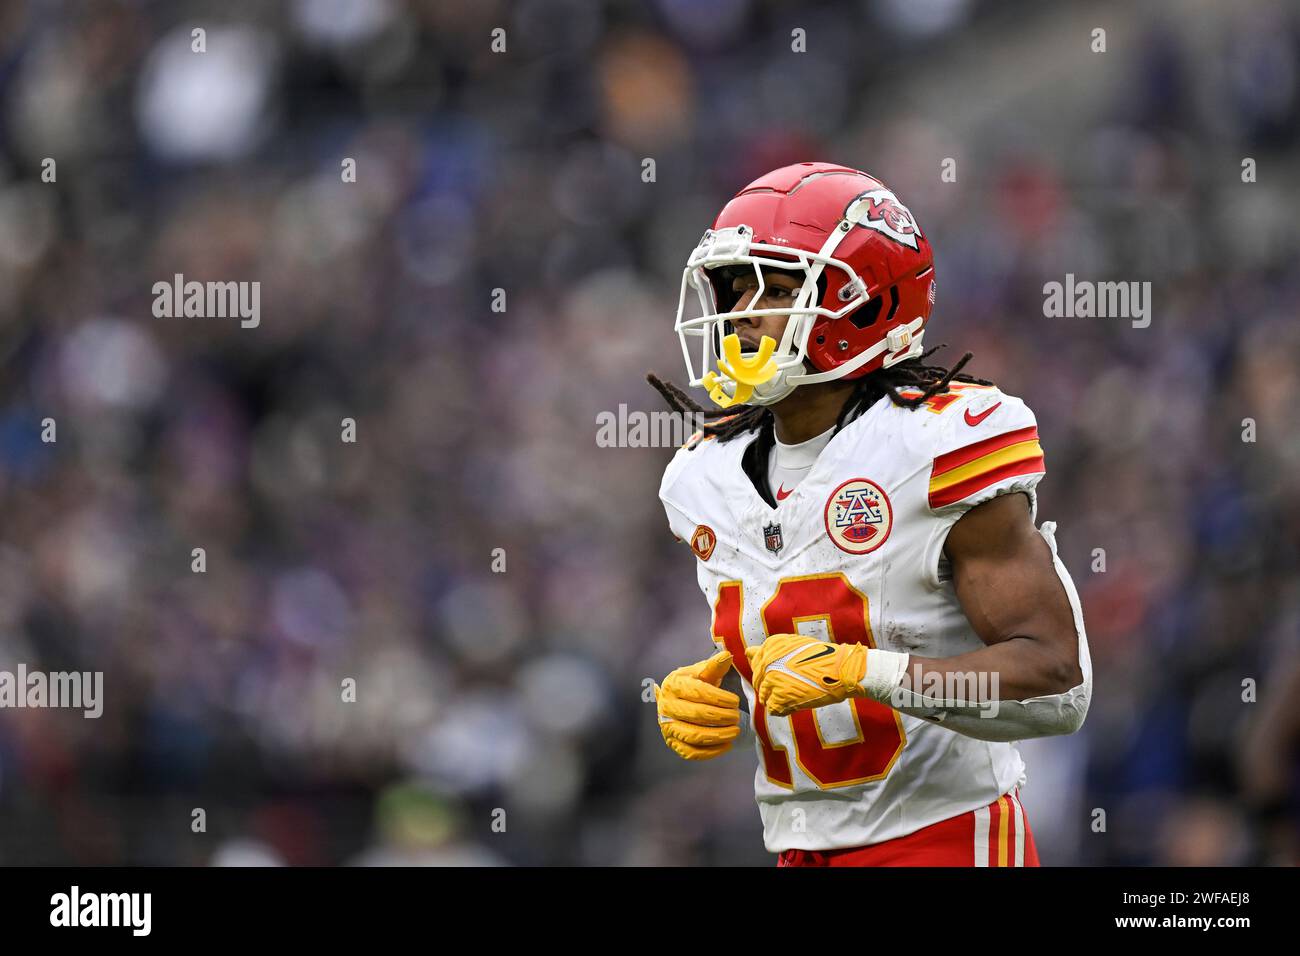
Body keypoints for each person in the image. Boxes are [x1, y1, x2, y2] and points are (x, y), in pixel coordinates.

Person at [648, 162, 1091, 866]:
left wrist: (867, 674)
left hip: (939, 842)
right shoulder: (703, 474)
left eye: (777, 288)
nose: (740, 313)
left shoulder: (939, 441)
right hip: (797, 852)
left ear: (863, 301)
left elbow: (1058, 687)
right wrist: (718, 682)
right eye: (733, 288)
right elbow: (825, 622)